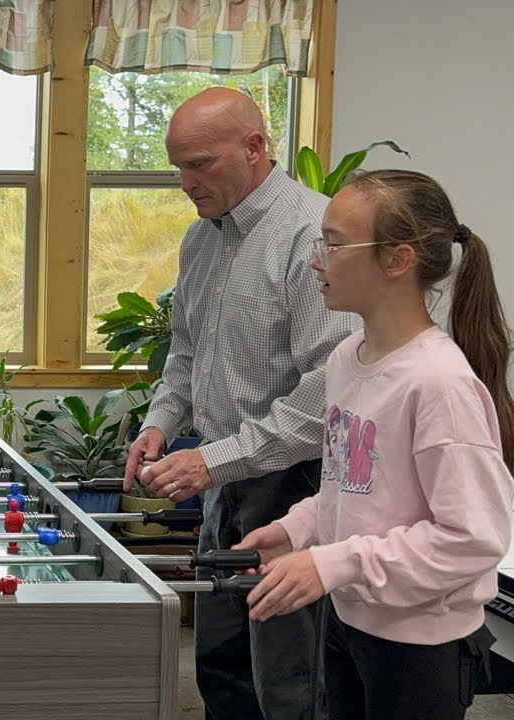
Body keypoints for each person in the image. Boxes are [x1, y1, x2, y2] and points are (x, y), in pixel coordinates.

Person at [236, 169, 514, 719]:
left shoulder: (438, 384)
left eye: (334, 244)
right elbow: (353, 484)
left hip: (419, 647)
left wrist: (338, 561)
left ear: (397, 260)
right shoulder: (348, 358)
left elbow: (473, 538)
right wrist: (298, 530)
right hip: (349, 621)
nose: (318, 260)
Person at [125, 87, 358, 720]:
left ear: (255, 147)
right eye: (178, 166)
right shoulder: (201, 241)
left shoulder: (313, 232)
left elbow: (326, 394)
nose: (186, 182)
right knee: (220, 664)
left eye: (200, 164)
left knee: (288, 677)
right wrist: (160, 423)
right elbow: (186, 354)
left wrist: (214, 460)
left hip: (294, 485)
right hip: (224, 479)